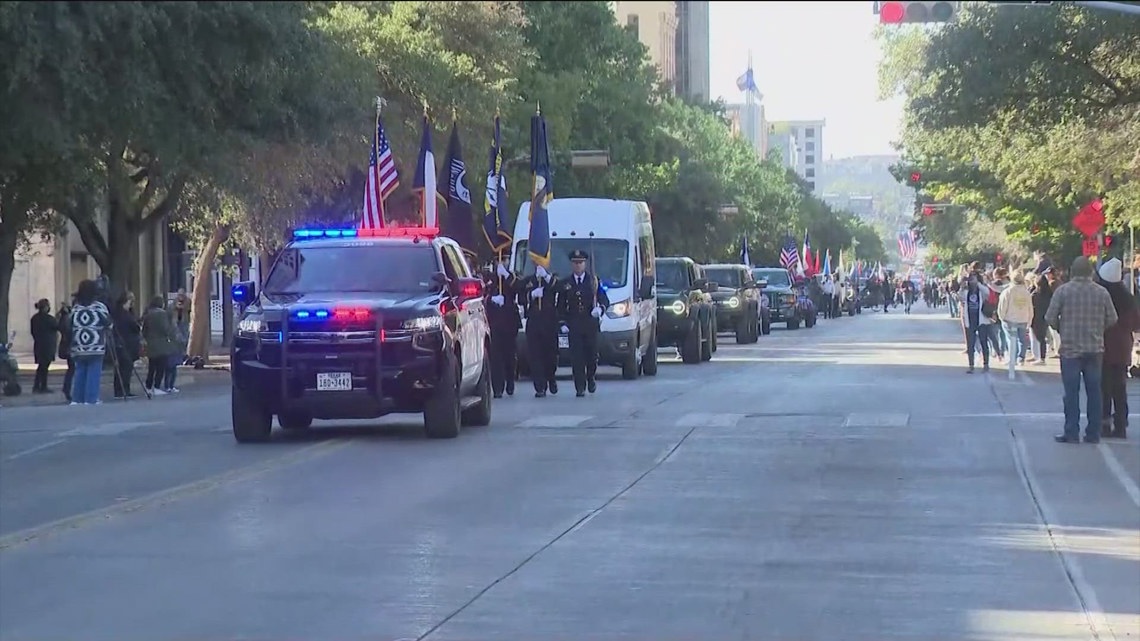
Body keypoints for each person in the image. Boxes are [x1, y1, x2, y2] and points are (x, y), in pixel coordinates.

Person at [1045, 256, 1118, 444]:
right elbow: (1112, 318)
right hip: (1094, 349)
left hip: (1070, 349)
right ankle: (1093, 433)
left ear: (1072, 272)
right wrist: (1098, 328)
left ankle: (1071, 431)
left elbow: (1050, 317)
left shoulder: (1063, 291)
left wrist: (1063, 328)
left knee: (1071, 393)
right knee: (1094, 392)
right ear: (1091, 272)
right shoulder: (1101, 293)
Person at [558, 249, 610, 397]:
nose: (578, 266)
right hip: (574, 324)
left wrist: (600, 309)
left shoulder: (593, 281)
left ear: (585, 264)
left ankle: (591, 377)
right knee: (577, 358)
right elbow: (561, 306)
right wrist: (562, 323)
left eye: (580, 263)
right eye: (575, 263)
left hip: (590, 324)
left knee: (591, 356)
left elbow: (604, 299)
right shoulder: (566, 283)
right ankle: (579, 386)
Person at [1095, 258, 1138, 439]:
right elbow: (1136, 323)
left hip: (1102, 345)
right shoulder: (1128, 298)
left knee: (1103, 388)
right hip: (1122, 346)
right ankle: (1121, 424)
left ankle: (1104, 423)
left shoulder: (1100, 296)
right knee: (1120, 388)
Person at [517, 263, 560, 398]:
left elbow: (559, 288)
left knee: (551, 356)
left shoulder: (551, 280)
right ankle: (540, 387)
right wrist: (531, 295)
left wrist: (546, 277)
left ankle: (551, 377)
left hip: (550, 323)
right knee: (535, 356)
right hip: (534, 322)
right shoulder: (529, 281)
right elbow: (521, 297)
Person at [68, 280, 112, 405]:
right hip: (95, 345)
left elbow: (69, 324)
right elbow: (108, 323)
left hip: (79, 344)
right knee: (94, 371)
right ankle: (91, 398)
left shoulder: (76, 308)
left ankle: (77, 398)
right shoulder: (99, 307)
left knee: (80, 371)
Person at [484, 260, 520, 398]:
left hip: (510, 322)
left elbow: (517, 288)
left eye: (503, 260)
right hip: (494, 322)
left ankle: (510, 380)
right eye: (499, 260)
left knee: (509, 355)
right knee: (496, 356)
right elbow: (482, 295)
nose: (501, 263)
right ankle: (497, 387)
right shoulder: (490, 278)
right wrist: (491, 300)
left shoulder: (512, 276)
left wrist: (505, 275)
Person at [998, 271, 1033, 380]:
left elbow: (1002, 307)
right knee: (1023, 340)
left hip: (1010, 319)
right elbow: (1030, 307)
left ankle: (1012, 357)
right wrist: (1029, 319)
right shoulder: (1026, 292)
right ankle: (1021, 357)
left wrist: (1002, 317)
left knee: (1010, 340)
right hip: (1023, 319)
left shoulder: (1008, 291)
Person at [141, 295, 177, 395]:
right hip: (161, 344)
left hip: (151, 344)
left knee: (152, 367)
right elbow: (166, 329)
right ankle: (156, 387)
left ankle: (148, 386)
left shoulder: (148, 314)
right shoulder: (162, 314)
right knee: (160, 367)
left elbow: (144, 330)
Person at [959, 271, 993, 373]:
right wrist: (962, 286)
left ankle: (986, 364)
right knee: (971, 344)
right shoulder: (966, 291)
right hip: (970, 319)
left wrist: (978, 283)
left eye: (974, 279)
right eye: (971, 279)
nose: (972, 281)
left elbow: (987, 292)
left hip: (981, 320)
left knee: (983, 342)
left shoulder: (981, 290)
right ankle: (971, 365)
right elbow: (960, 297)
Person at [111, 291, 142, 399]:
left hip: (125, 342)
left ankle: (122, 389)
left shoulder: (120, 313)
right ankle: (123, 389)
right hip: (125, 342)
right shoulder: (123, 314)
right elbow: (133, 326)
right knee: (125, 367)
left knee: (123, 367)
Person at [29, 299, 59, 394]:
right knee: (44, 367)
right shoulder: (49, 319)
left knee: (41, 366)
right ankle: (42, 386)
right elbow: (57, 326)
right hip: (47, 346)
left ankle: (37, 386)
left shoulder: (34, 318)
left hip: (38, 345)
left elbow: (33, 332)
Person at [165, 290, 191, 392]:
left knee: (174, 363)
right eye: (179, 295)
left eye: (182, 295)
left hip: (182, 328)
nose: (180, 297)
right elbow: (171, 320)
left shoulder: (187, 303)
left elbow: (189, 311)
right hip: (173, 335)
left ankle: (170, 385)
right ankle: (168, 385)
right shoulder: (172, 306)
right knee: (171, 363)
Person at [57, 301, 75, 402]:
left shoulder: (63, 319)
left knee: (71, 369)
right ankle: (67, 389)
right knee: (73, 369)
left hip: (67, 347)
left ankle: (67, 389)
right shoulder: (68, 319)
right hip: (70, 347)